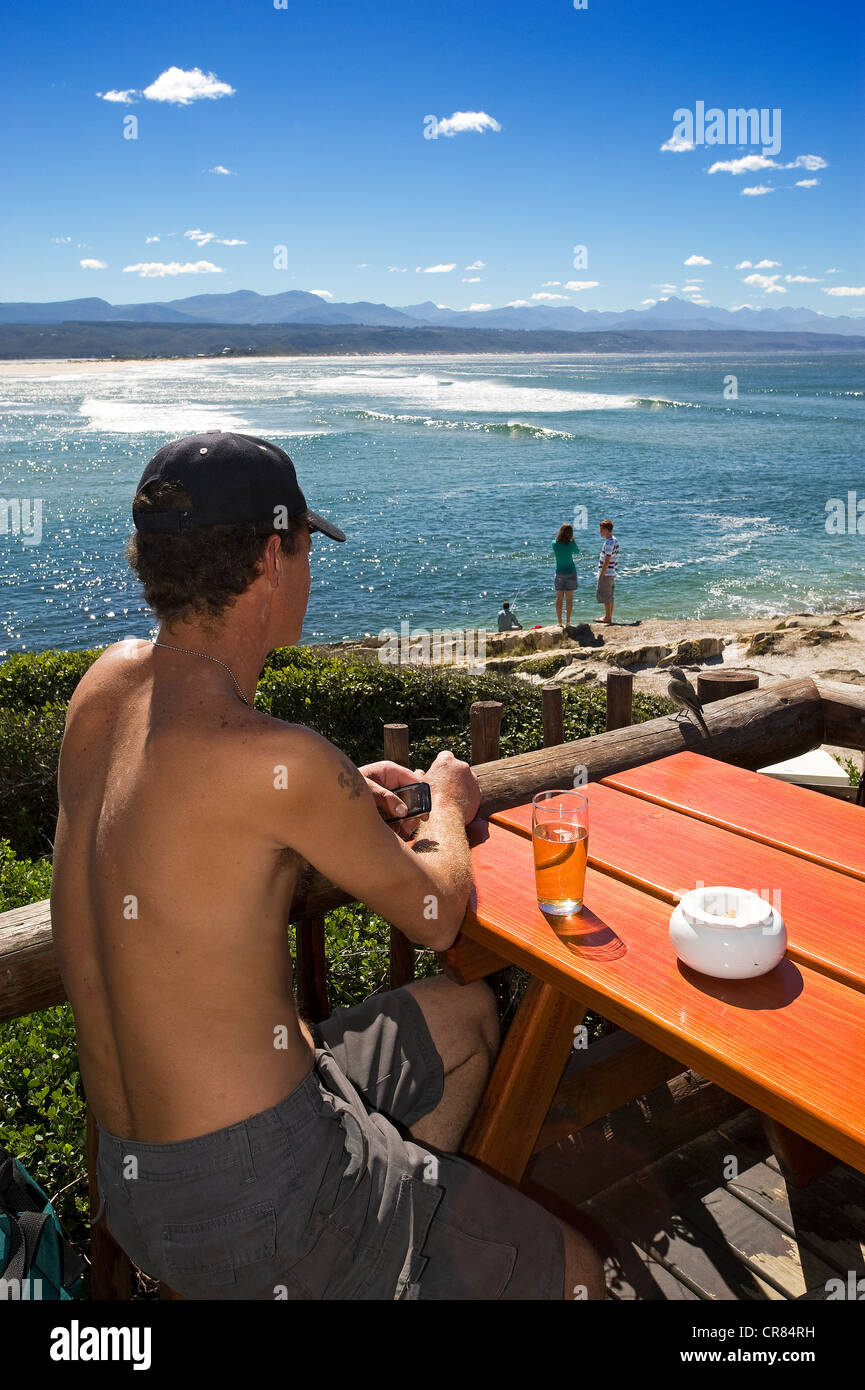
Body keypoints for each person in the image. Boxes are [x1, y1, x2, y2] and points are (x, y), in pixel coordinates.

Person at [50, 430, 604, 1302]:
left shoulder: (105, 686)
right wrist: (446, 804)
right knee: (580, 1275)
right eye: (306, 548)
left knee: (461, 1020)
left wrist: (337, 788)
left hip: (128, 1177)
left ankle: (392, 1265)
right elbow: (435, 914)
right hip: (253, 1197)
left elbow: (193, 806)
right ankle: (370, 1248)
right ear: (273, 558)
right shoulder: (274, 763)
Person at [552, 523, 579, 628]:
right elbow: (577, 552)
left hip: (559, 573)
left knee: (559, 597)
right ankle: (568, 622)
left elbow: (555, 540)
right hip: (571, 572)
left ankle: (559, 622)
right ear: (570, 534)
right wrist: (573, 541)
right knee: (569, 598)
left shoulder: (554, 544)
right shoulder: (571, 544)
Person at [596, 520, 619, 625]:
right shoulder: (614, 540)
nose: (600, 531)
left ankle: (607, 617)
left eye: (601, 529)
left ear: (606, 530)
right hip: (612, 572)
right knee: (610, 595)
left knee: (606, 596)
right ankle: (609, 616)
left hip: (607, 572)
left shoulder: (609, 542)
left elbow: (607, 559)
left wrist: (602, 574)